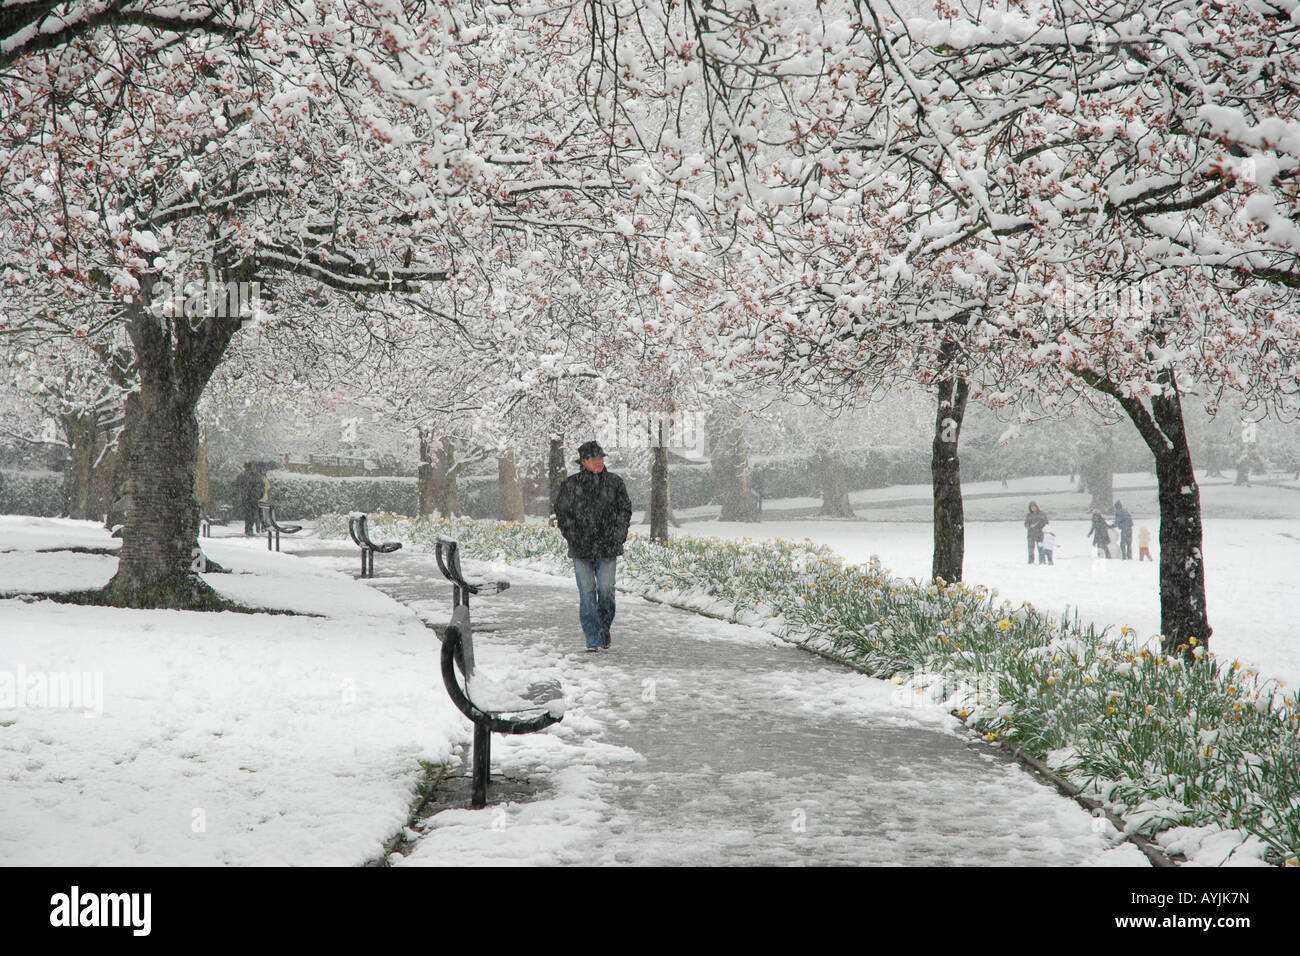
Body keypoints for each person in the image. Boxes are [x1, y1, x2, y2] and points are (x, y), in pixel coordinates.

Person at [554, 441, 632, 653]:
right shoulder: (570, 485)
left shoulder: (615, 483)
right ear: (584, 461)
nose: (599, 462)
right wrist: (572, 536)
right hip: (581, 550)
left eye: (601, 458)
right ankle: (594, 639)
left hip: (608, 547)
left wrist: (618, 535)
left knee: (606, 592)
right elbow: (562, 514)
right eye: (594, 459)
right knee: (587, 594)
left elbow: (624, 511)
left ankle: (602, 628)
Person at [235, 461, 262, 536]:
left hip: (245, 498)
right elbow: (261, 486)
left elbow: (237, 485)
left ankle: (248, 528)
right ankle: (250, 528)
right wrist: (258, 495)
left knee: (247, 514)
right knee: (253, 514)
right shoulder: (256, 475)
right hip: (253, 498)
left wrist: (242, 493)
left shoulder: (241, 475)